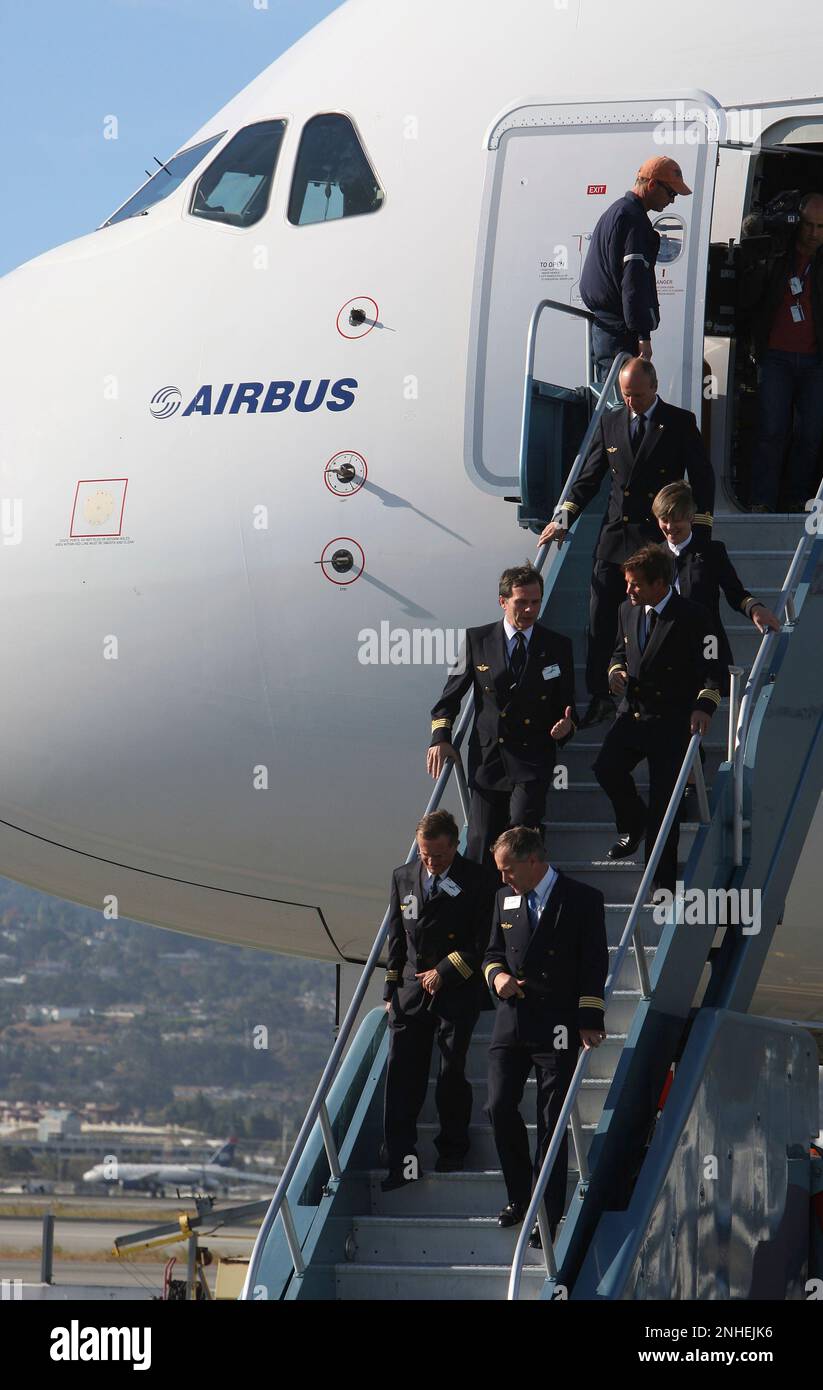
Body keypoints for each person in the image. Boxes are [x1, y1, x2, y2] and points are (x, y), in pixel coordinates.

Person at [538, 357, 715, 728]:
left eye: (635, 394)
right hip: (615, 536)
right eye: (623, 393)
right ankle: (601, 695)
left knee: (650, 619)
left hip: (654, 540)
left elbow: (702, 476)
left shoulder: (679, 423)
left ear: (654, 387)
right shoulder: (611, 422)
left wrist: (699, 529)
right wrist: (564, 517)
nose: (629, 401)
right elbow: (589, 477)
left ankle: (651, 698)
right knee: (600, 617)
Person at [483, 826, 607, 1246]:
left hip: (556, 1025)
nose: (503, 878)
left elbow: (593, 961)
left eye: (507, 869)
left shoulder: (582, 899)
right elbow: (492, 952)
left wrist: (589, 1017)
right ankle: (520, 1196)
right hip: (512, 1021)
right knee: (499, 1106)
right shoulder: (505, 898)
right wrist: (497, 975)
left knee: (551, 1122)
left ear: (532, 861)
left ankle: (546, 1214)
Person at [427, 564, 576, 866]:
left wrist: (567, 726)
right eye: (522, 602)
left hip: (533, 757)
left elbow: (568, 705)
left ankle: (517, 909)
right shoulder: (475, 640)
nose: (530, 609)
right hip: (488, 758)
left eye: (535, 602)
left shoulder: (558, 646)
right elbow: (447, 700)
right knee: (481, 840)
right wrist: (440, 737)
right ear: (503, 601)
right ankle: (483, 910)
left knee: (519, 836)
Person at [592, 544, 721, 893]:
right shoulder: (627, 610)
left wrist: (703, 707)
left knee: (666, 808)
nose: (629, 590)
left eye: (636, 584)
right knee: (605, 768)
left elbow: (714, 672)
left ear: (660, 583)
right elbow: (621, 651)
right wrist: (615, 671)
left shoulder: (693, 617)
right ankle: (633, 823)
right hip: (633, 716)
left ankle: (659, 888)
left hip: (672, 723)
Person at [382, 810, 497, 1191]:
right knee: (403, 1076)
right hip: (411, 992)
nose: (431, 862)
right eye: (425, 854)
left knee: (451, 1072)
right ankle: (400, 1158)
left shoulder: (479, 881)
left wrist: (445, 971)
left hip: (456, 987)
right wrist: (390, 991)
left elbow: (483, 940)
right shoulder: (404, 876)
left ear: (455, 845)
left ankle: (452, 1149)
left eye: (439, 856)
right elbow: (397, 937)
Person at [653, 481, 781, 690]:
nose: (669, 527)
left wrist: (754, 608)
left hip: (707, 645)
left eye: (676, 520)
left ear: (691, 517)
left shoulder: (711, 552)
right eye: (664, 520)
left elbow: (734, 592)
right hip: (666, 650)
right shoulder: (654, 557)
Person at [741, 192, 823, 512]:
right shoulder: (776, 252)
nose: (814, 233)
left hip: (815, 360)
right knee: (771, 431)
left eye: (821, 226)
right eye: (808, 224)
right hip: (774, 356)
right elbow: (748, 298)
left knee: (811, 434)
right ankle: (762, 500)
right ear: (796, 222)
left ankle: (796, 500)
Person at [579, 155, 692, 381]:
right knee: (622, 404)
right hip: (618, 331)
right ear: (652, 185)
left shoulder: (617, 211)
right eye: (671, 193)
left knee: (611, 402)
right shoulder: (634, 220)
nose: (672, 201)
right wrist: (643, 336)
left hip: (606, 326)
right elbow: (634, 283)